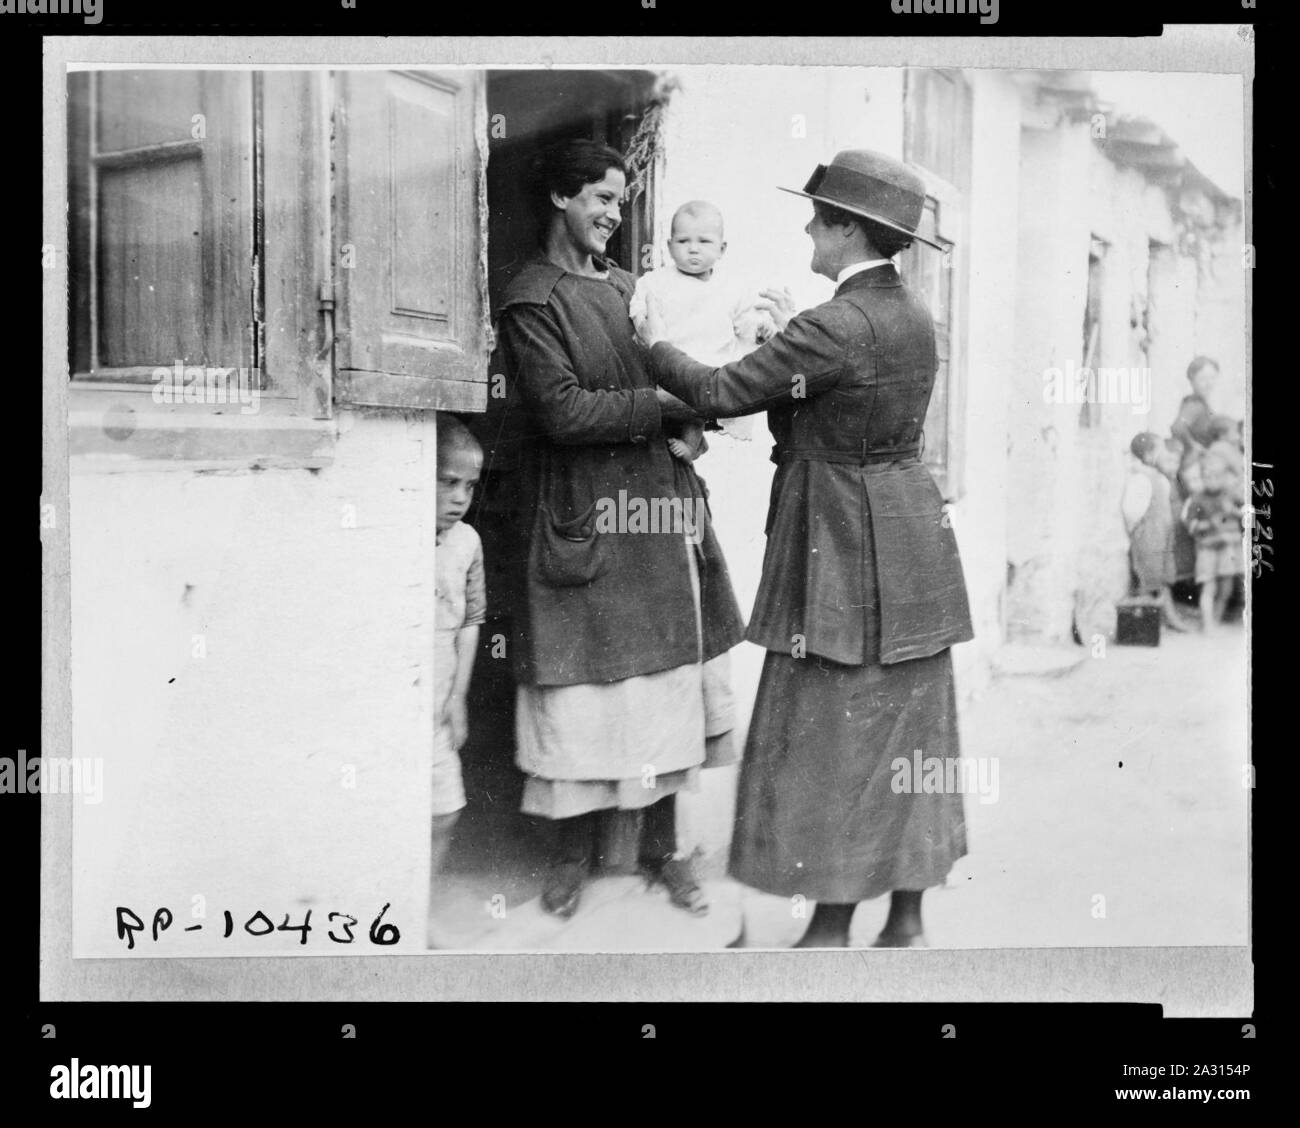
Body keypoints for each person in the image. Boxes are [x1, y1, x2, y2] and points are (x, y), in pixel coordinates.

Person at [644, 149, 974, 948]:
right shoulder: (910, 316)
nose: (806, 227)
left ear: (849, 230)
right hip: (910, 531)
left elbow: (722, 392)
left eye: (819, 218)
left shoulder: (832, 324)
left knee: (829, 724)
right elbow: (822, 400)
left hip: (837, 536)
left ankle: (828, 926)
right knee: (912, 725)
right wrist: (780, 343)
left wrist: (650, 340)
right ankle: (906, 918)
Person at [491, 139, 746, 921]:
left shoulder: (641, 288)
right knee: (585, 691)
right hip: (583, 507)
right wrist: (666, 409)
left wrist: (702, 419)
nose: (615, 213)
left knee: (666, 685)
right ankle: (568, 857)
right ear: (562, 200)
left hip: (659, 507)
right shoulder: (532, 297)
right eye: (601, 197)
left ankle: (664, 853)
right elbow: (563, 411)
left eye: (621, 198)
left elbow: (684, 370)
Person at [629, 199, 776, 459]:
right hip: (672, 358)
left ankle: (692, 442)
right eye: (683, 241)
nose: (693, 249)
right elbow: (639, 303)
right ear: (669, 246)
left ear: (722, 248)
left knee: (700, 394)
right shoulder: (657, 281)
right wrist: (641, 319)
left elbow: (746, 320)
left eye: (704, 242)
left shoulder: (732, 287)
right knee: (668, 398)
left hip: (712, 362)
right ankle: (692, 442)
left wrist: (760, 329)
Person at [429, 414, 486, 944]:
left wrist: (461, 697)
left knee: (446, 810)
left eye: (468, 485)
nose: (459, 496)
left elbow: (471, 622)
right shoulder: (391, 536)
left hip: (439, 706)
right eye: (447, 481)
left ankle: (421, 898)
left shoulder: (466, 543)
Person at [1120, 432, 1190, 631]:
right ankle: (1149, 624)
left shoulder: (1159, 477)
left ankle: (1168, 617)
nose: (1164, 454)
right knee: (1149, 578)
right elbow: (1131, 511)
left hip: (1163, 535)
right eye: (1160, 451)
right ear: (1149, 455)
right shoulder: (1140, 478)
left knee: (1163, 576)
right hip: (1149, 535)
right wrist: (1137, 531)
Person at [1181, 447, 1245, 634]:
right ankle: (1208, 625)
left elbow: (1247, 515)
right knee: (1209, 586)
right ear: (1202, 476)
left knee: (1226, 588)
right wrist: (1206, 524)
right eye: (1207, 477)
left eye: (1217, 477)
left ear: (1224, 477)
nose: (1212, 481)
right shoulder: (1198, 499)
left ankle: (1215, 620)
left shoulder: (1231, 495)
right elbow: (1189, 523)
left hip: (1229, 548)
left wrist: (1232, 511)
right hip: (1207, 549)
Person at [1171, 356, 1220, 479]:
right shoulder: (1194, 404)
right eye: (1203, 379)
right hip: (1195, 468)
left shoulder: (1202, 403)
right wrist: (1193, 446)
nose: (1209, 384)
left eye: (1212, 378)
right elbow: (1177, 427)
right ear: (1192, 380)